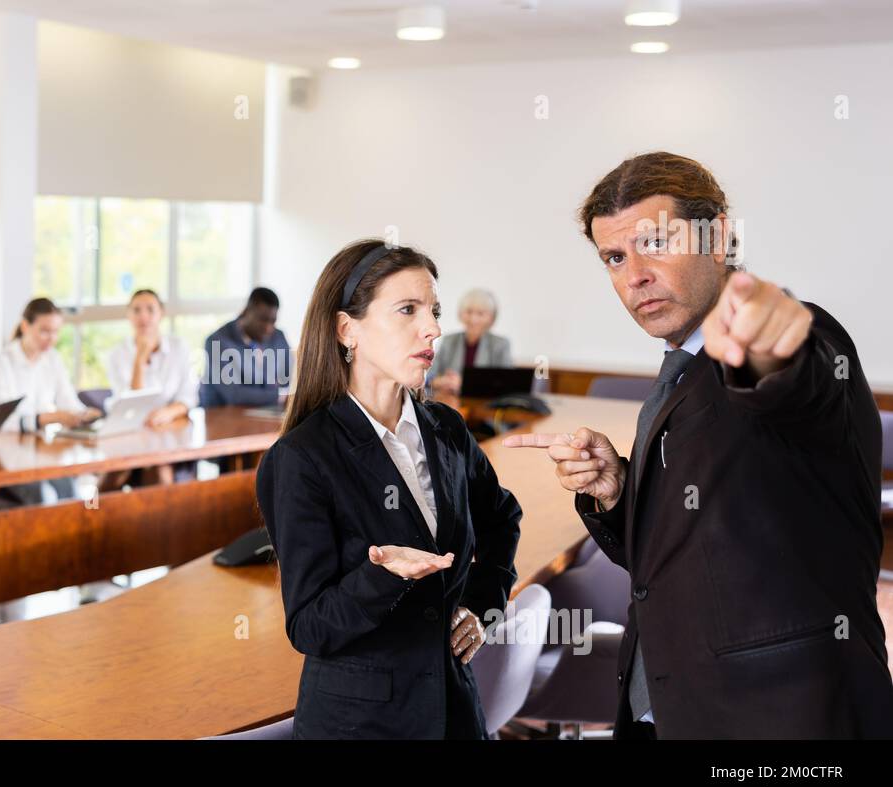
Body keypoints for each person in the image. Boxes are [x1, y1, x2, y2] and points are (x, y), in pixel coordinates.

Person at [504, 151, 893, 739]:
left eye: (655, 242)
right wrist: (617, 492)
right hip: (671, 707)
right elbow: (669, 562)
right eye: (614, 256)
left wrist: (770, 340)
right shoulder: (680, 372)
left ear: (720, 239)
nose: (634, 275)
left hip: (779, 723)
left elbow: (786, 376)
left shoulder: (802, 339)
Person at [255, 239, 523, 739]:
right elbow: (310, 627)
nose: (434, 328)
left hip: (456, 713)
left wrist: (483, 606)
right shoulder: (301, 458)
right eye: (408, 310)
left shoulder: (446, 428)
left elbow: (502, 517)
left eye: (435, 311)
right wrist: (384, 576)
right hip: (360, 725)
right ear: (346, 329)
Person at [0, 297, 100, 503]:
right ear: (25, 326)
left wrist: (84, 414)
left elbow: (69, 402)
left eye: (56, 331)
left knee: (72, 491)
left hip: (34, 451)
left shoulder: (52, 359)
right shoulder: (1, 363)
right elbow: (5, 421)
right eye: (44, 331)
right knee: (45, 496)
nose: (51, 338)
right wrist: (50, 417)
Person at [102, 289, 198, 488]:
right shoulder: (117, 354)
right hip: (132, 435)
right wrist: (139, 359)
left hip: (169, 433)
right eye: (136, 310)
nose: (143, 316)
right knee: (111, 476)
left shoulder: (179, 347)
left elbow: (189, 397)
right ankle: (95, 517)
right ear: (128, 315)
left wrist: (168, 413)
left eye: (150, 310)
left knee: (160, 471)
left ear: (161, 314)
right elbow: (129, 404)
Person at [198, 287, 292, 408]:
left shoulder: (278, 336)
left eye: (273, 321)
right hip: (223, 417)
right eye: (263, 320)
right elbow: (234, 395)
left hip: (266, 414)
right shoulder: (217, 342)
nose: (268, 328)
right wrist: (278, 395)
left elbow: (289, 380)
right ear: (246, 311)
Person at [427, 288, 513, 396]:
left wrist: (463, 383)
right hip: (450, 403)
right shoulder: (449, 341)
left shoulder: (501, 344)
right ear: (461, 314)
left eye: (480, 314)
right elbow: (428, 377)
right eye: (469, 312)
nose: (473, 319)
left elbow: (504, 384)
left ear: (491, 318)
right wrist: (441, 381)